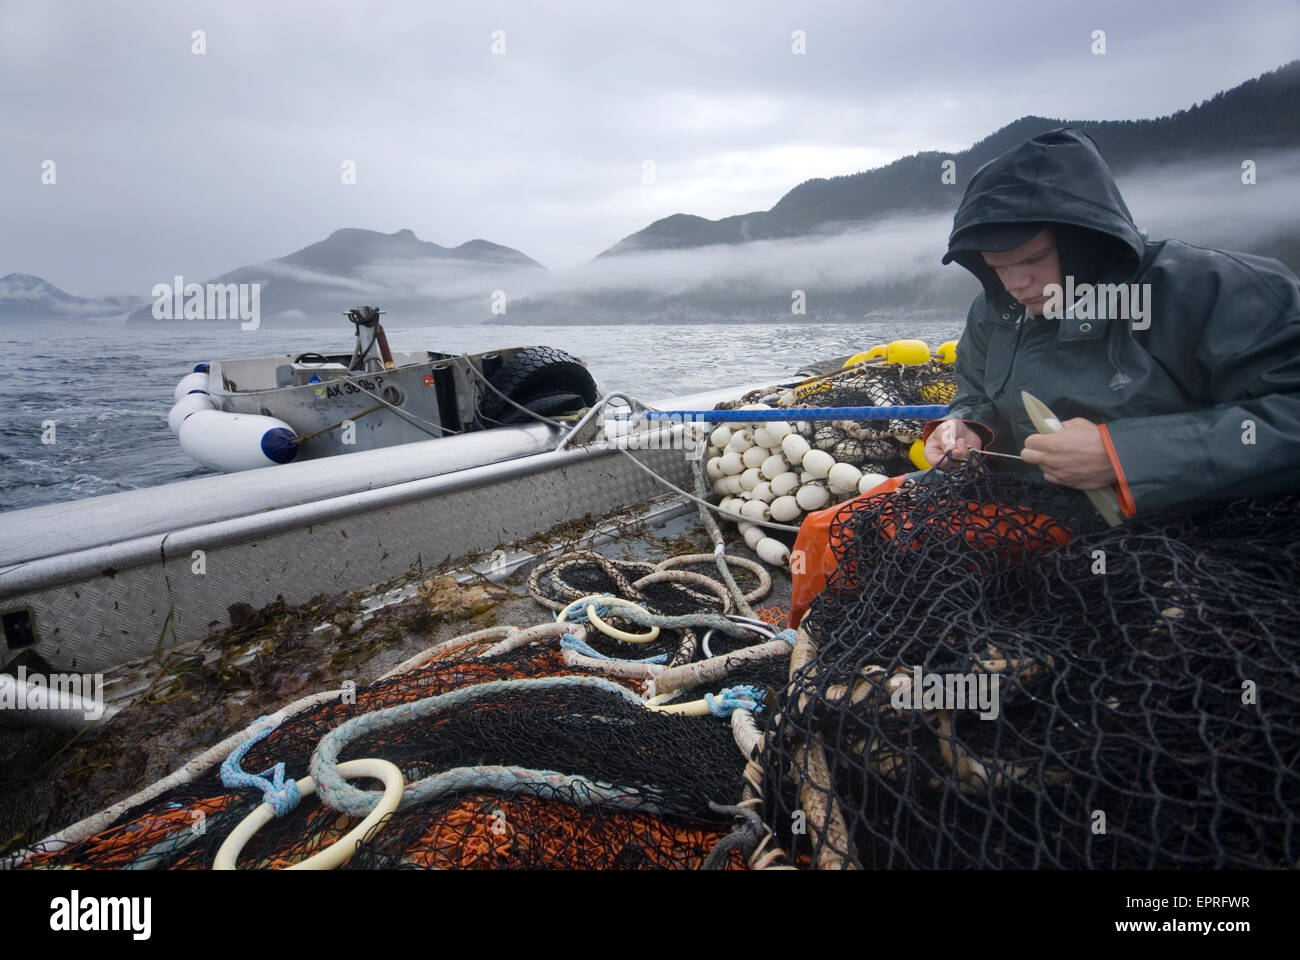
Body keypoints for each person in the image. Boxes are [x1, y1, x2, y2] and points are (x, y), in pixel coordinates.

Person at [924, 127, 1300, 516]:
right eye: (996, 266)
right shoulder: (993, 309)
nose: (1016, 283)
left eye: (1032, 259)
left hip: (1187, 529)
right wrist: (965, 427)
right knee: (860, 528)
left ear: (1087, 240)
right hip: (1025, 507)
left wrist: (1123, 455)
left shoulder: (1212, 288)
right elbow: (975, 395)